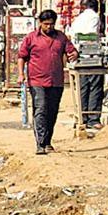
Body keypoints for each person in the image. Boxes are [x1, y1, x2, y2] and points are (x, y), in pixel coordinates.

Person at [18, 10, 78, 155]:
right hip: (37, 80)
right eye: (46, 24)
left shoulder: (61, 38)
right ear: (40, 23)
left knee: (52, 111)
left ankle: (47, 141)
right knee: (41, 109)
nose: (49, 27)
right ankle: (40, 143)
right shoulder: (31, 38)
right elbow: (21, 57)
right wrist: (21, 74)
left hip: (56, 81)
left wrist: (74, 54)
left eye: (51, 24)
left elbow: (72, 51)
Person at [70, 0, 104, 130]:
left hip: (79, 57)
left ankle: (82, 117)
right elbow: (90, 36)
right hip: (91, 57)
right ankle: (93, 119)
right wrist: (98, 38)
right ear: (96, 7)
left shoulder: (78, 18)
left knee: (83, 88)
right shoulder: (94, 17)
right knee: (95, 88)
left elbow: (72, 34)